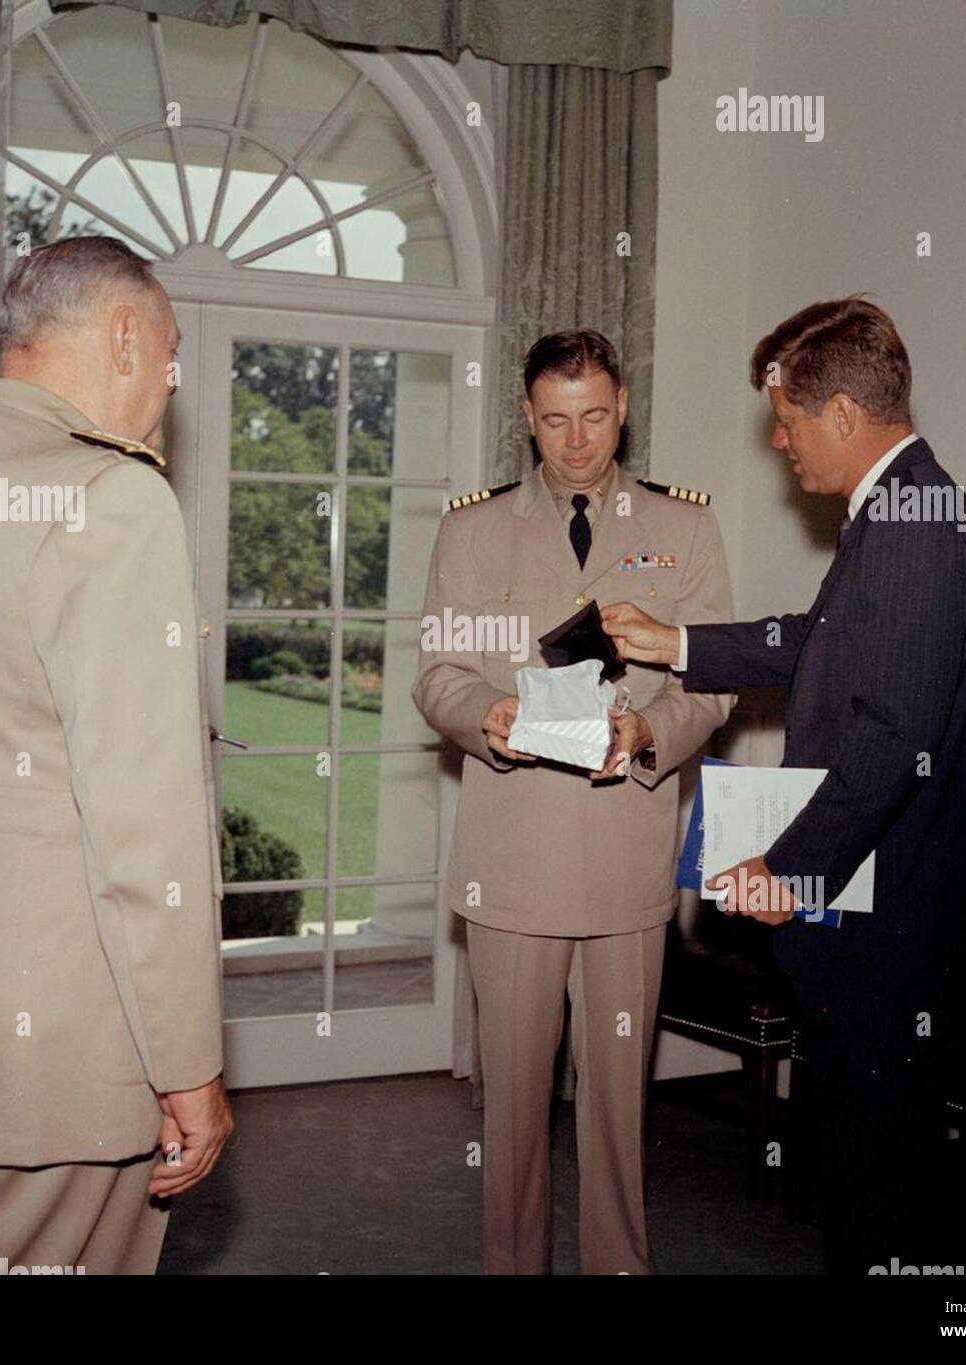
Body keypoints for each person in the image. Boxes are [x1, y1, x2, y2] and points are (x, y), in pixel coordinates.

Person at [602, 297, 966, 1274]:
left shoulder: (913, 526)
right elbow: (811, 642)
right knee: (867, 1177)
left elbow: (889, 734)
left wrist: (790, 869)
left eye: (784, 419)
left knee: (881, 1191)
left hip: (882, 935)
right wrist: (680, 643)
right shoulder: (900, 511)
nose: (777, 441)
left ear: (841, 417)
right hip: (874, 926)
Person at [0, 236, 232, 1274]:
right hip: (73, 1018)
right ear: (121, 335)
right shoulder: (108, 499)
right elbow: (140, 824)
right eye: (166, 352)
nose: (168, 382)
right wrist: (188, 1064)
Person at [412, 328, 732, 1273]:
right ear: (527, 415)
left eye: (594, 416)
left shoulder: (684, 530)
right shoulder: (472, 530)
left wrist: (648, 732)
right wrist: (488, 715)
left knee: (617, 1113)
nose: (578, 441)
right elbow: (437, 675)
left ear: (623, 404)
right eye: (555, 421)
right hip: (514, 865)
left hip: (626, 859)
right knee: (510, 1112)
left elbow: (711, 684)